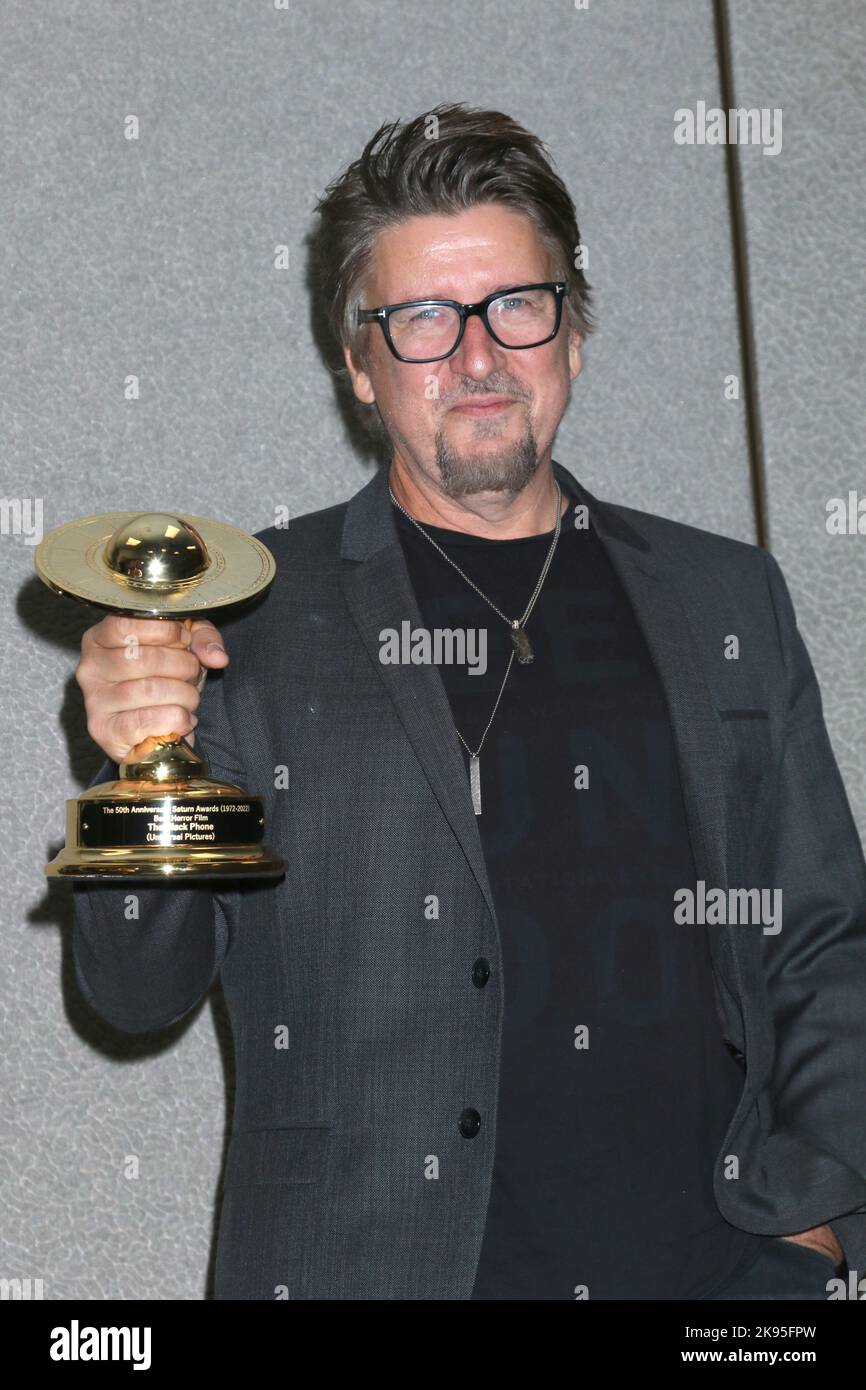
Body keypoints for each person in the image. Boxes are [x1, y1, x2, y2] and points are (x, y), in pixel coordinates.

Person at [71, 103, 866, 1300]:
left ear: (573, 331)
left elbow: (820, 943)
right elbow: (135, 994)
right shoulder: (239, 623)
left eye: (515, 305)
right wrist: (133, 767)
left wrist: (816, 1231)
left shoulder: (725, 596)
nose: (478, 356)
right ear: (358, 361)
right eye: (423, 321)